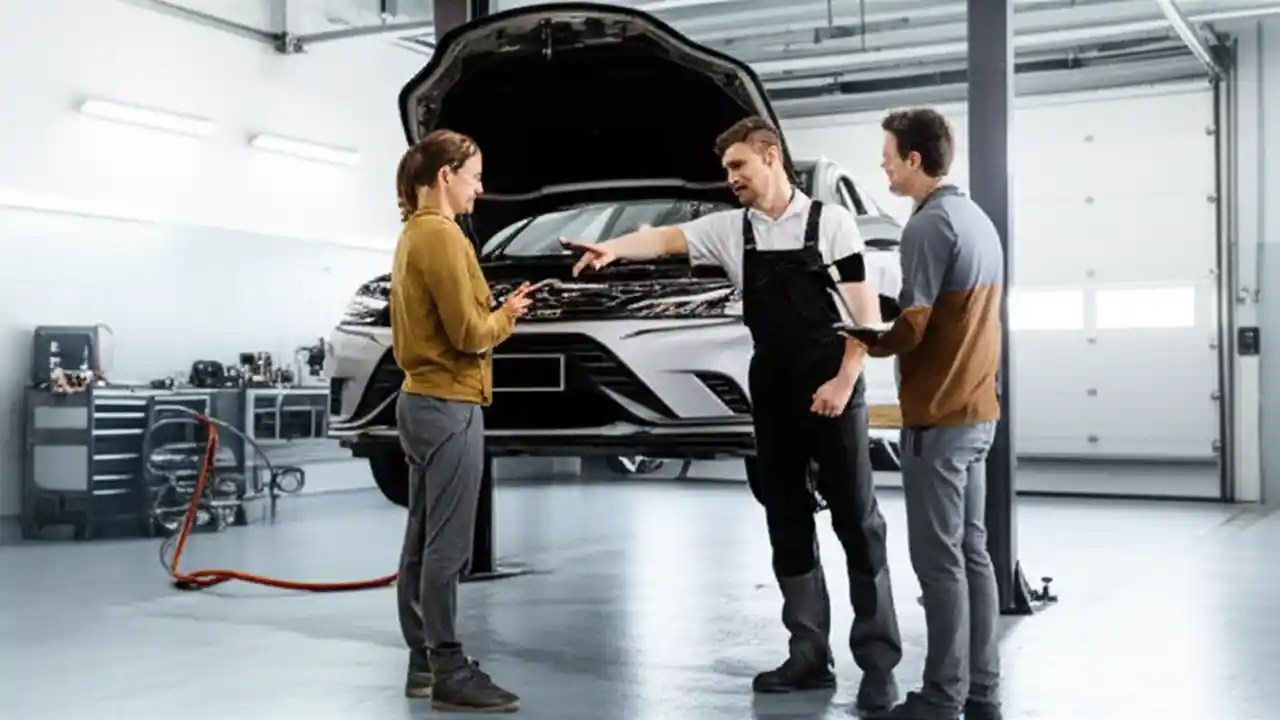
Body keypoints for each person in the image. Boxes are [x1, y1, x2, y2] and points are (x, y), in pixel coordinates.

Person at [560, 116, 903, 713]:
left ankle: (877, 664)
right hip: (770, 383)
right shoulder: (730, 229)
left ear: (770, 156)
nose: (731, 179)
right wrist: (612, 247)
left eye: (738, 166)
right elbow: (665, 239)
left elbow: (866, 318)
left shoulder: (832, 223)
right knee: (786, 518)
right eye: (727, 170)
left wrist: (845, 382)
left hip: (832, 379)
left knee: (856, 520)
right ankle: (807, 654)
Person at [856, 108, 1004, 720]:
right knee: (974, 554)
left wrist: (866, 334)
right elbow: (950, 317)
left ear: (915, 160)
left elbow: (912, 329)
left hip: (938, 418)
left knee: (939, 563)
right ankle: (982, 692)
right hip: (978, 412)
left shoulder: (926, 226)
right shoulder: (977, 220)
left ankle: (941, 698)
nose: (883, 164)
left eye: (888, 154)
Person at [390, 128, 535, 714]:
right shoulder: (444, 239)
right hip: (449, 404)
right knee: (448, 548)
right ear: (445, 175)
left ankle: (422, 662)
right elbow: (470, 335)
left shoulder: (411, 236)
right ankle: (448, 667)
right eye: (474, 175)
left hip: (421, 400)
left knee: (423, 543)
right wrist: (509, 315)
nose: (480, 187)